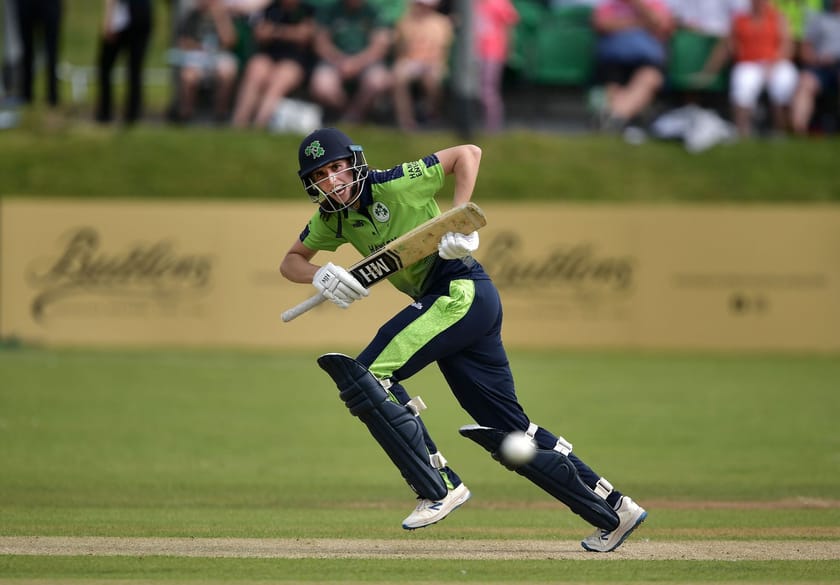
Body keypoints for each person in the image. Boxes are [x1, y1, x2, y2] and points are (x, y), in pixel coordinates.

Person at [278, 126, 648, 553]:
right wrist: (319, 273)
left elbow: (467, 153)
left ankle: (439, 487)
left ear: (355, 162)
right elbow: (291, 262)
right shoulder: (331, 219)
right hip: (459, 304)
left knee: (367, 376)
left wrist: (458, 221)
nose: (332, 182)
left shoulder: (395, 182)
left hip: (459, 289)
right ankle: (614, 509)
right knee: (508, 430)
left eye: (338, 168)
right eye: (320, 176)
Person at [696, 0, 798, 136]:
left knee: (783, 80)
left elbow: (787, 45)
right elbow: (726, 47)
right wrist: (709, 71)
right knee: (743, 82)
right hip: (748, 63)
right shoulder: (740, 19)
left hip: (775, 63)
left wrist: (773, 64)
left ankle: (780, 128)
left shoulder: (779, 18)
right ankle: (742, 130)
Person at [231, 0, 315, 129]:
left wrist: (276, 31)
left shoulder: (306, 10)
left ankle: (259, 125)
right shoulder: (270, 8)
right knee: (256, 68)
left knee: (279, 79)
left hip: (294, 60)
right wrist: (289, 32)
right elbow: (260, 34)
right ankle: (238, 124)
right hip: (269, 56)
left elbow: (304, 35)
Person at [592, 0, 675, 131]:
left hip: (648, 61)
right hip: (614, 60)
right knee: (613, 87)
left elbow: (659, 24)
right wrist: (639, 23)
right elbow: (602, 25)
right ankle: (619, 120)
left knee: (648, 79)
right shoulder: (609, 4)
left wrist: (637, 4)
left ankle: (614, 118)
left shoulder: (655, 4)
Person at [307, 0, 393, 124]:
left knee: (378, 81)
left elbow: (379, 47)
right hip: (334, 60)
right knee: (321, 86)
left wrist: (356, 63)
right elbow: (320, 43)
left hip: (366, 60)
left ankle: (354, 115)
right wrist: (340, 60)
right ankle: (344, 111)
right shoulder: (329, 10)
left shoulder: (375, 12)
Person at [391, 0, 454, 131]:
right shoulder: (405, 22)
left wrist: (429, 62)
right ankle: (406, 120)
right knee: (398, 75)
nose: (423, 7)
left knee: (432, 79)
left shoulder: (442, 23)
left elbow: (442, 51)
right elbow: (400, 50)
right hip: (411, 61)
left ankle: (431, 114)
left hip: (433, 62)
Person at [171, 0, 239, 123]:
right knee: (188, 77)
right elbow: (183, 42)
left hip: (219, 55)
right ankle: (185, 114)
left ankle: (220, 114)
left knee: (227, 72)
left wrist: (220, 18)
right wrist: (199, 47)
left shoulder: (223, 16)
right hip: (197, 57)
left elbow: (229, 41)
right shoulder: (192, 15)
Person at [96, 0, 153, 124]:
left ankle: (106, 113)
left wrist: (108, 19)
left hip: (125, 16)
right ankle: (132, 114)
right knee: (134, 69)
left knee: (106, 66)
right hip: (141, 14)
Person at [790, 0, 840, 134]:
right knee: (805, 82)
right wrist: (818, 59)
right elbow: (805, 49)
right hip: (821, 65)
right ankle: (799, 130)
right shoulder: (818, 19)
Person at [474, 0, 519, 132]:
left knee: (488, 90)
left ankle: (492, 127)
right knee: (476, 90)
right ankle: (479, 125)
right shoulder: (472, 4)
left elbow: (510, 27)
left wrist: (509, 51)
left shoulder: (500, 2)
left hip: (493, 52)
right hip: (474, 53)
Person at [15, 0, 63, 107]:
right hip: (26, 4)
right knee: (26, 49)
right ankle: (26, 94)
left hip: (50, 4)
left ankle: (53, 95)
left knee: (52, 51)